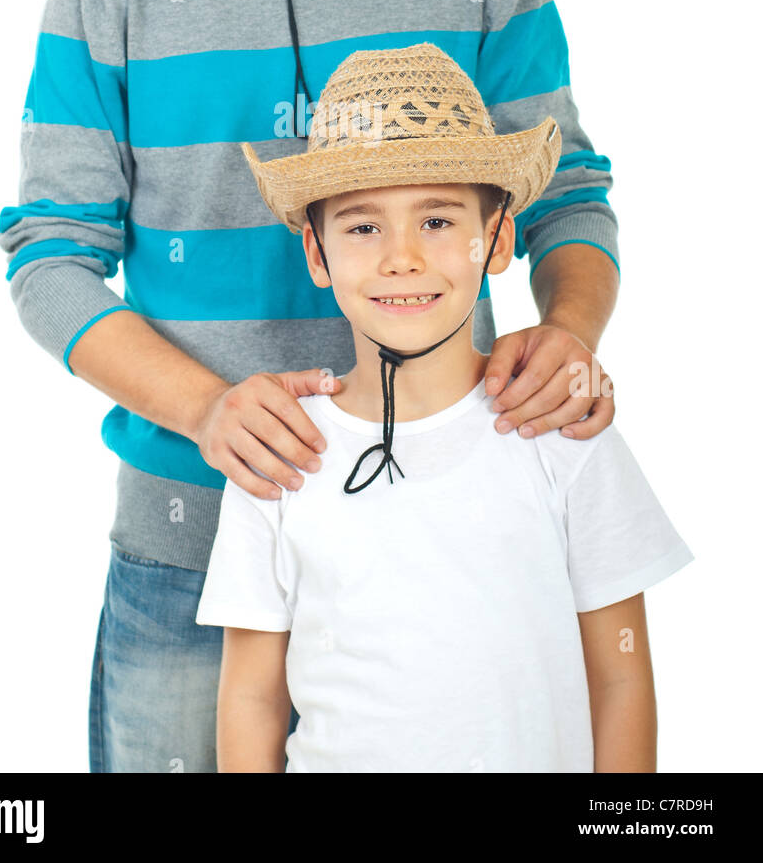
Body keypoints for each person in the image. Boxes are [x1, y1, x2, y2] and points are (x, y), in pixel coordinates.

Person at [0, 0, 621, 773]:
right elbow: (48, 260)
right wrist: (206, 408)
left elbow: (569, 195)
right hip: (185, 539)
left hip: (447, 533)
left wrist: (570, 334)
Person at [196, 42, 693, 773]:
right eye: (363, 227)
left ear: (496, 241)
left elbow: (619, 678)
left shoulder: (564, 435)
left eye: (437, 221)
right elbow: (251, 702)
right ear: (317, 255)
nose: (403, 257)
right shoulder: (280, 455)